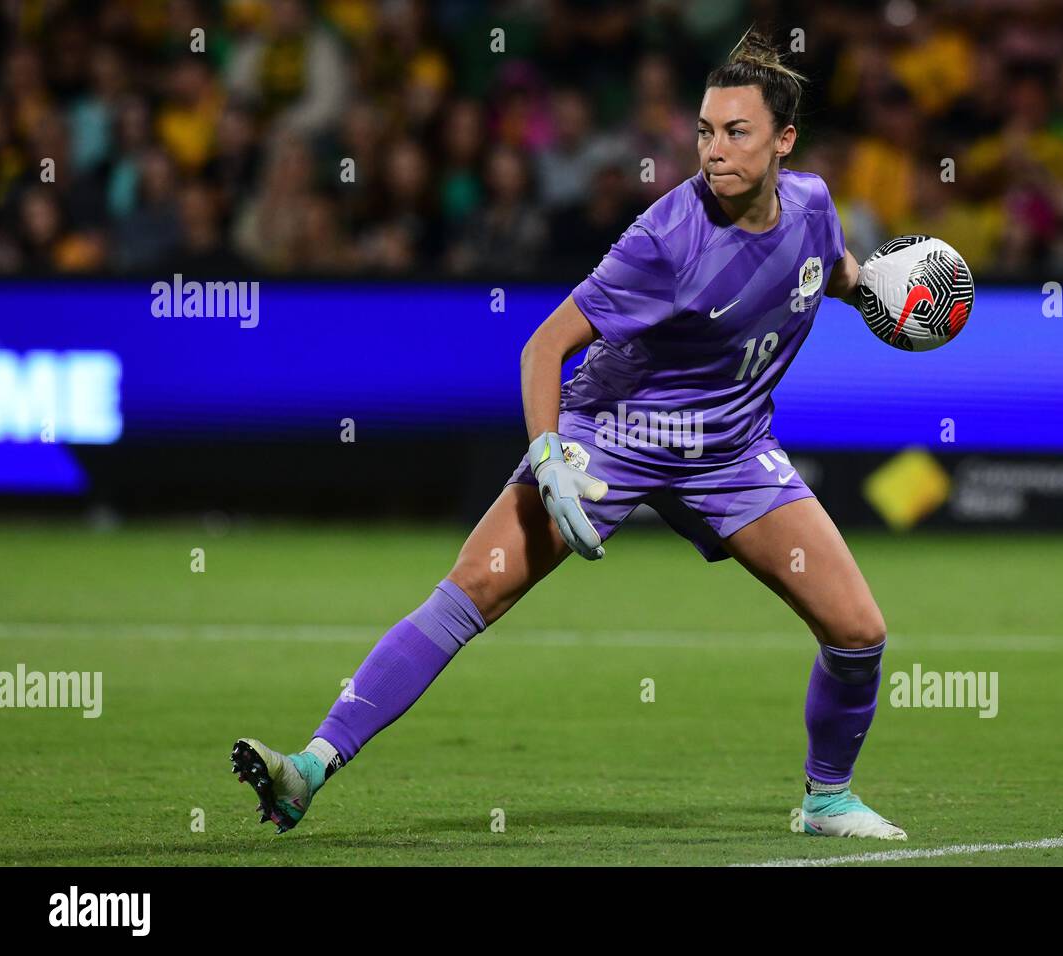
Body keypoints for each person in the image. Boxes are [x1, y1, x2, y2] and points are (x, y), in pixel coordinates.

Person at [231, 30, 905, 842]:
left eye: (736, 133)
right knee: (473, 588)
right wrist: (550, 457)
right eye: (703, 130)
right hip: (614, 431)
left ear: (783, 141)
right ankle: (309, 766)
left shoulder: (814, 205)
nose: (713, 151)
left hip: (729, 449)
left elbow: (825, 269)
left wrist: (877, 295)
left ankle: (827, 799)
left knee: (859, 630)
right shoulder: (665, 239)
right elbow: (544, 345)